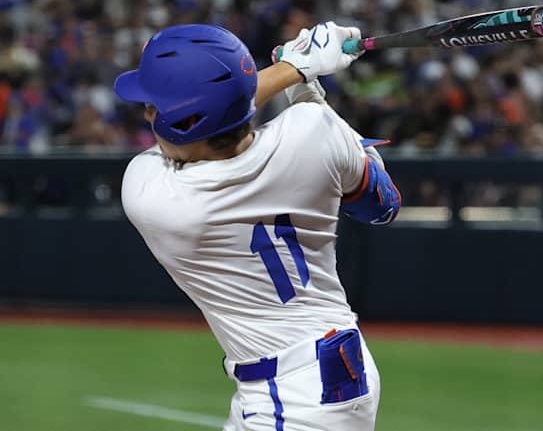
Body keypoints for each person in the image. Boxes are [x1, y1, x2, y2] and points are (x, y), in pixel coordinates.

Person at [117, 22, 400, 431]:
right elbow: (381, 206)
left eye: (155, 105)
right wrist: (306, 86)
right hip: (327, 376)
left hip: (294, 400)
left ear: (183, 120)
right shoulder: (312, 130)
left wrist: (294, 69)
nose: (147, 113)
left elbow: (222, 111)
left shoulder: (154, 196)